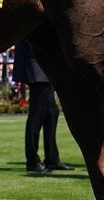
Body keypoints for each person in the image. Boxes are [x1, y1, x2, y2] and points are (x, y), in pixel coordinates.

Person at [13, 39, 69, 174]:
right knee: (37, 115)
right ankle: (33, 161)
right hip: (37, 68)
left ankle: (52, 159)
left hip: (42, 67)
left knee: (52, 112)